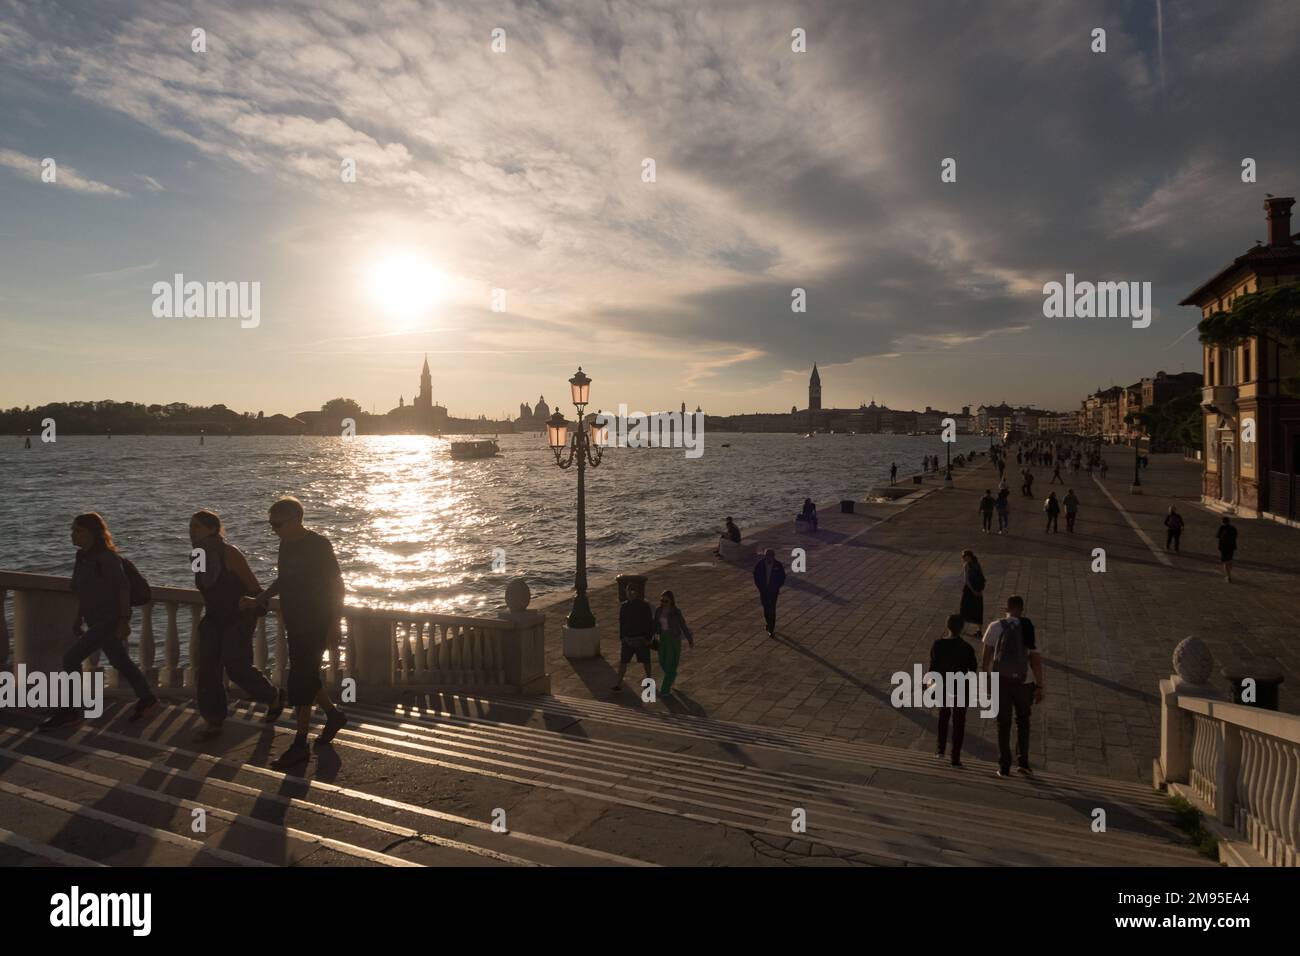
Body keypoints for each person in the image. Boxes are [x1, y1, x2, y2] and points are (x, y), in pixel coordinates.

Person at [242, 496, 347, 769]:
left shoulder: (319, 545)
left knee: (300, 679)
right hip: (295, 621)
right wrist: (259, 598)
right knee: (307, 674)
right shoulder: (285, 544)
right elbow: (284, 579)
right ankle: (333, 715)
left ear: (297, 519)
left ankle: (300, 743)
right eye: (271, 525)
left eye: (278, 524)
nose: (274, 529)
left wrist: (335, 625)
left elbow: (338, 586)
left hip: (317, 621)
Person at [41, 513, 159, 730]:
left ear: (93, 533)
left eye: (78, 530)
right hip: (94, 620)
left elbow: (123, 589)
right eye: (73, 529)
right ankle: (147, 697)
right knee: (120, 661)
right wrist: (78, 618)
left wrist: (124, 621)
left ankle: (71, 711)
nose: (73, 534)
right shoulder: (82, 558)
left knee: (70, 659)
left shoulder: (107, 558)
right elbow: (82, 593)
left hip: (109, 619)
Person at [190, 510, 283, 741]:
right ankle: (213, 720)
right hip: (213, 617)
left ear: (212, 529)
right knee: (207, 671)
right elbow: (206, 587)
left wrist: (253, 607)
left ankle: (272, 696)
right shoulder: (197, 555)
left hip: (238, 617)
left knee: (236, 667)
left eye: (197, 527)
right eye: (190, 527)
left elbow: (253, 585)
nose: (191, 531)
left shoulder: (229, 553)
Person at [981, 596, 1045, 778]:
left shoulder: (995, 626)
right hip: (1023, 684)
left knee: (1003, 724)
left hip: (1000, 682)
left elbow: (985, 659)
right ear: (1022, 609)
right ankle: (1023, 762)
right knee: (1023, 721)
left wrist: (987, 681)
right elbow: (1035, 660)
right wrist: (1040, 685)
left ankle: (1004, 766)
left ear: (1006, 608)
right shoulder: (1027, 627)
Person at [930, 613, 978, 768]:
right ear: (962, 629)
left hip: (943, 687)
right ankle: (955, 757)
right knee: (959, 722)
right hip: (961, 688)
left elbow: (933, 668)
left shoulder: (937, 644)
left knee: (943, 716)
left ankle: (940, 750)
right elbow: (973, 668)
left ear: (947, 626)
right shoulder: (967, 647)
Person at [612, 582, 655, 693]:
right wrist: (622, 637)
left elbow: (649, 623)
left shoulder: (644, 606)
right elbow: (622, 623)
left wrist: (648, 638)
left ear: (637, 593)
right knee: (623, 662)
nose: (630, 593)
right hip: (628, 639)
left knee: (646, 662)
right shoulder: (624, 606)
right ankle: (618, 684)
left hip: (641, 639)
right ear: (626, 592)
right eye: (628, 591)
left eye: (633, 591)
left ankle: (649, 680)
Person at [653, 590, 694, 696]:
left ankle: (665, 690)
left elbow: (683, 625)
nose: (663, 602)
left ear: (671, 601)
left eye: (666, 600)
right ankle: (672, 675)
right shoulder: (658, 610)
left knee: (670, 663)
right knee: (662, 660)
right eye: (661, 600)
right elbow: (655, 624)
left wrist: (690, 639)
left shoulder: (676, 612)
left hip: (673, 639)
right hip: (663, 638)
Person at [753, 548, 786, 638]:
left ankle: (771, 629)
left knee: (772, 610)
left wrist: (777, 586)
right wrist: (760, 587)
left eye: (771, 556)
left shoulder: (778, 565)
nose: (769, 558)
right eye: (768, 555)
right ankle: (768, 623)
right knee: (766, 609)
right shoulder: (760, 565)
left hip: (773, 591)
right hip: (763, 591)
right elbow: (756, 576)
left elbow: (782, 577)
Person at [959, 550, 985, 638]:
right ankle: (979, 631)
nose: (962, 558)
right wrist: (980, 590)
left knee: (964, 608)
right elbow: (982, 577)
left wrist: (973, 591)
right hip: (978, 590)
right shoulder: (977, 563)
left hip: (969, 591)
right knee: (978, 610)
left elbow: (967, 581)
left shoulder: (966, 565)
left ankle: (961, 629)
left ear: (968, 556)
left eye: (964, 556)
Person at [1216, 516, 1238, 583]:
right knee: (1230, 560)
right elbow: (1236, 536)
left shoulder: (1222, 527)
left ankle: (1228, 576)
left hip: (1223, 547)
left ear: (1222, 522)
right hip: (1231, 547)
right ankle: (1229, 574)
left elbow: (1217, 536)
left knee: (1225, 561)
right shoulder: (1233, 528)